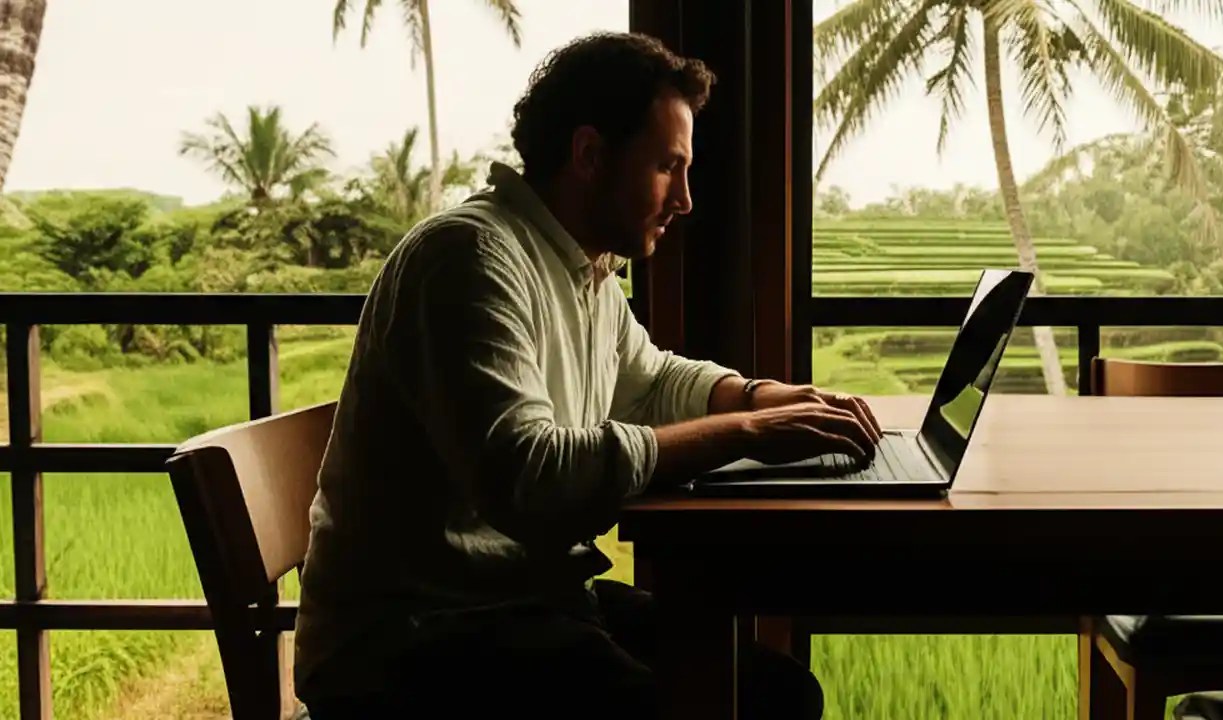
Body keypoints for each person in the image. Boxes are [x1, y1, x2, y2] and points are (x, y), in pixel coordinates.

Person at [293, 31, 883, 719]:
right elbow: (526, 470)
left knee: (777, 693)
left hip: (522, 600)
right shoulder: (469, 258)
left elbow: (651, 379)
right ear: (590, 155)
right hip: (416, 640)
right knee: (728, 704)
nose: (686, 199)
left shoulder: (582, 269)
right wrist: (746, 429)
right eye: (668, 166)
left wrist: (757, 395)